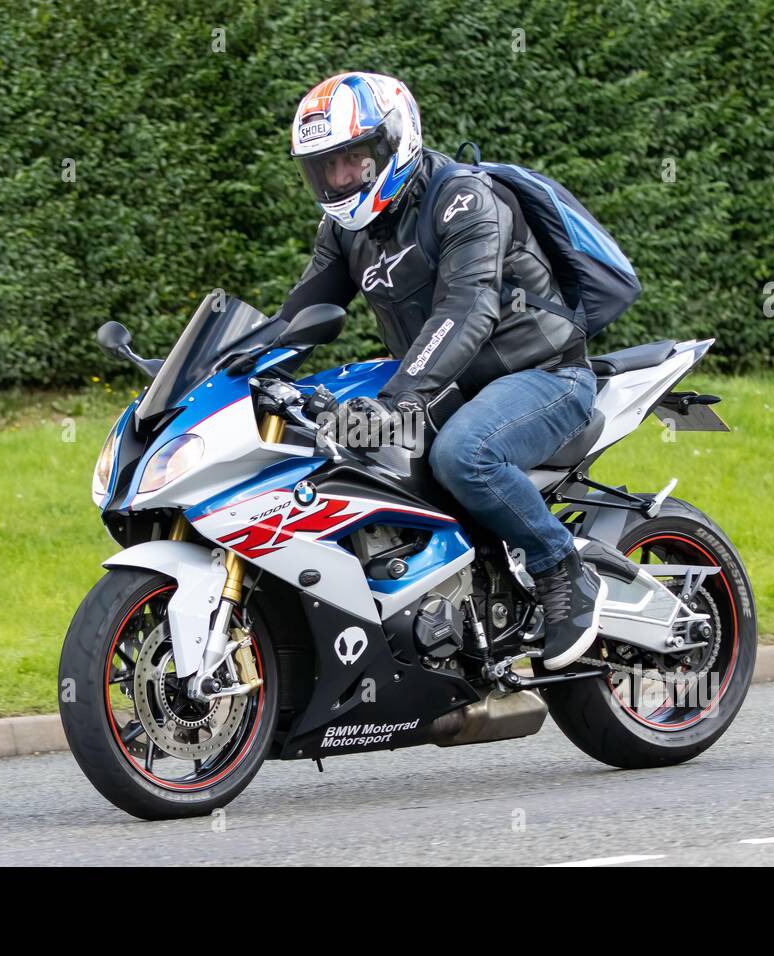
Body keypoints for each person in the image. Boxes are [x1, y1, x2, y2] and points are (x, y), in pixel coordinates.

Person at [273, 72, 640, 670]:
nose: (340, 179)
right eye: (325, 167)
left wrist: (399, 399)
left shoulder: (463, 199)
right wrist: (223, 368)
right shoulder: (344, 232)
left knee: (462, 454)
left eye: (353, 159)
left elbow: (467, 309)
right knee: (330, 444)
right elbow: (298, 317)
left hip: (544, 375)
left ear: (395, 141)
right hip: (447, 385)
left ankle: (562, 568)